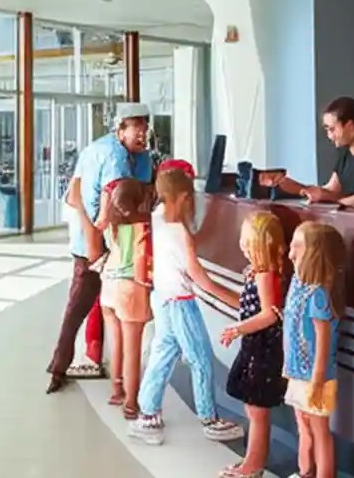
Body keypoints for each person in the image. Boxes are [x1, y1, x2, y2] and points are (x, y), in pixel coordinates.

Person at [129, 168, 245, 445]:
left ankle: (147, 414)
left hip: (161, 297)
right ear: (183, 197)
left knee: (163, 353)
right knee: (200, 358)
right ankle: (209, 418)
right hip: (180, 302)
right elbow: (199, 277)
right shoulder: (179, 231)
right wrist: (238, 301)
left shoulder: (155, 217)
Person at [46, 103, 154, 393]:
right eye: (136, 127)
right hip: (101, 246)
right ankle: (63, 368)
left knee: (91, 305)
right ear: (120, 129)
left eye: (145, 128)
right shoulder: (114, 156)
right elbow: (117, 206)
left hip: (98, 242)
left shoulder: (127, 152)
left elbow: (79, 192)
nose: (142, 134)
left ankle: (79, 363)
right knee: (86, 306)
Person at [67, 177, 151, 417]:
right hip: (130, 287)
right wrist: (148, 285)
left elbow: (94, 242)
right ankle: (131, 402)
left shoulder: (110, 226)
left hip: (109, 287)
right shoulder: (143, 227)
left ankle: (116, 390)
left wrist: (83, 205)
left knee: (116, 342)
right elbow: (141, 263)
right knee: (132, 349)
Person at [218, 211, 289, 478]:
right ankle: (251, 460)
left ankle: (254, 465)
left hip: (263, 347)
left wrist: (237, 329)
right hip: (256, 345)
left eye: (248, 243)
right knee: (252, 407)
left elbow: (269, 314)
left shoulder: (265, 275)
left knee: (257, 410)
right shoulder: (259, 273)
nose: (243, 247)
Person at [261, 96, 354, 214]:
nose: (329, 136)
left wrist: (337, 201)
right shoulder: (344, 154)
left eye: (332, 129)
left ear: (351, 125)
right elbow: (331, 190)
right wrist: (297, 187)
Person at [283, 221, 346, 478]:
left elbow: (323, 341)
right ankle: (305, 472)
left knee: (319, 430)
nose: (291, 254)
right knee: (303, 426)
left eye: (297, 247)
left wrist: (317, 380)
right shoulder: (298, 285)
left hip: (315, 377)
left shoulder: (318, 295)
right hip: (298, 373)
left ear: (315, 254)